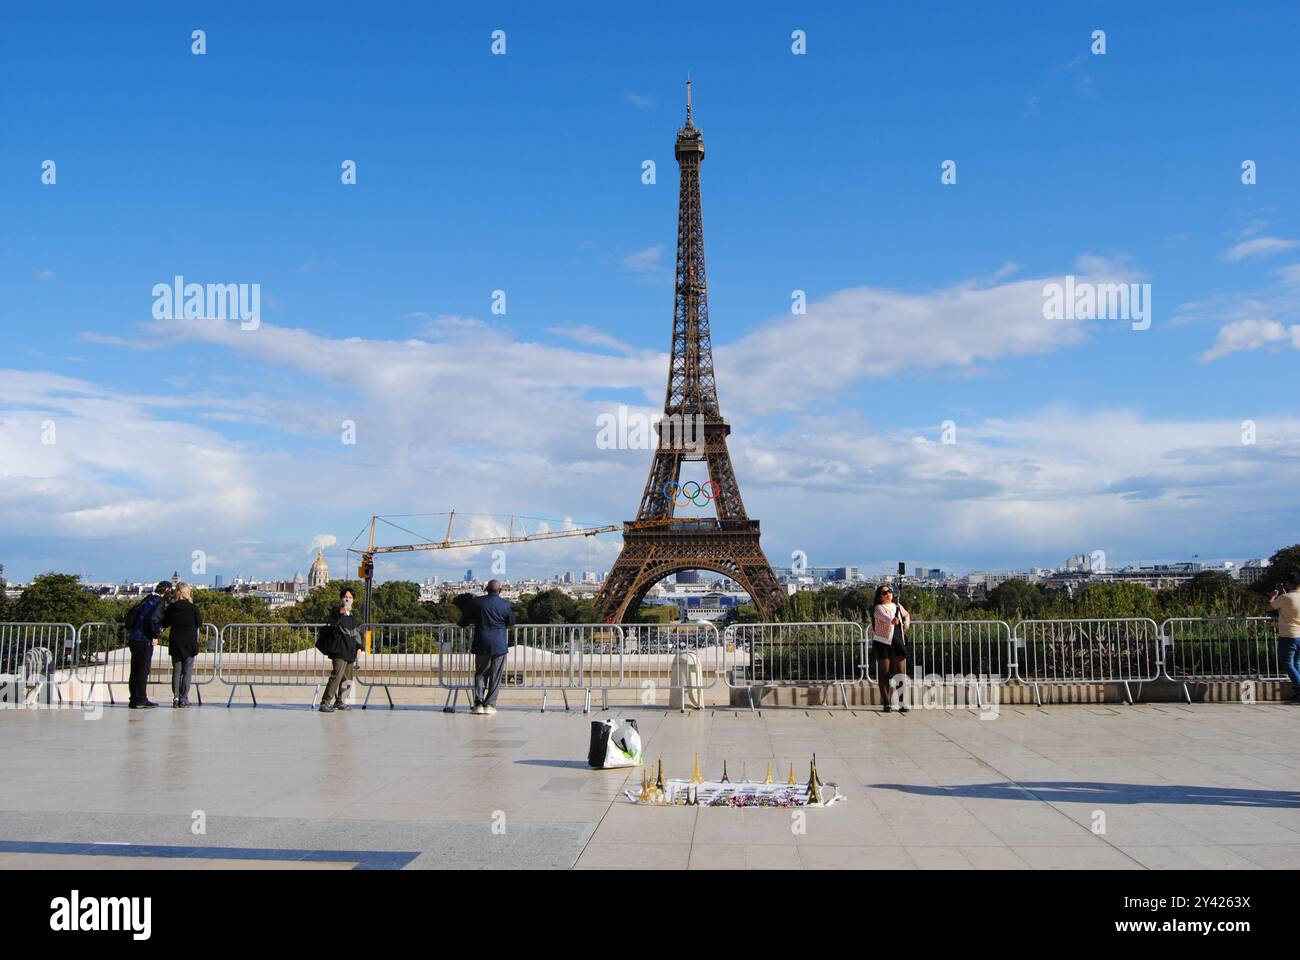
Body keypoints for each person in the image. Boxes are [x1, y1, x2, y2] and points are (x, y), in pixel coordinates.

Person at [464, 579, 516, 715]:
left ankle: (478, 703)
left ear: (486, 589)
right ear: (500, 590)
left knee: (481, 673)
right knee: (495, 675)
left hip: (481, 642)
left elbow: (464, 620)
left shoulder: (477, 602)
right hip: (499, 643)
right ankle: (490, 704)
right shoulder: (506, 605)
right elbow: (511, 623)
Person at [125, 581, 171, 709]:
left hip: (135, 637)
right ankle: (140, 699)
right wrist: (155, 635)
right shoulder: (159, 602)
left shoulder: (148, 598)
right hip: (144, 639)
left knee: (135, 670)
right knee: (142, 670)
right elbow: (153, 620)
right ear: (166, 590)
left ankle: (134, 698)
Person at [319, 587, 362, 713]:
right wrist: (342, 611)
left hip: (350, 650)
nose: (347, 599)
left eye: (350, 597)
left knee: (348, 678)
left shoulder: (353, 615)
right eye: (345, 597)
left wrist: (359, 647)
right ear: (341, 598)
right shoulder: (337, 612)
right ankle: (325, 702)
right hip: (339, 650)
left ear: (353, 600)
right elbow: (333, 623)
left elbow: (356, 633)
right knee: (336, 675)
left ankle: (341, 701)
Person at [870, 584, 911, 713]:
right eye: (885, 592)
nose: (888, 594)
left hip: (897, 641)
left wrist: (906, 623)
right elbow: (886, 618)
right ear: (880, 596)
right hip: (883, 643)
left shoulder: (897, 606)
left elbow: (906, 615)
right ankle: (886, 702)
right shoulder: (878, 608)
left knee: (901, 673)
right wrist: (893, 620)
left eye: (889, 591)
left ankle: (902, 701)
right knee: (884, 672)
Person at [162, 580, 202, 707]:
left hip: (175, 641)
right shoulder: (193, 608)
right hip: (189, 642)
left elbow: (165, 623)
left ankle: (175, 697)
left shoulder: (171, 608)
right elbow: (199, 623)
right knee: (187, 670)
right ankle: (184, 697)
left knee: (177, 670)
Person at [1269, 577, 1300, 703]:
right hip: (1299, 635)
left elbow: (1269, 607)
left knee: (1287, 663)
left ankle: (1299, 688)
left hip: (1288, 635)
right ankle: (1297, 693)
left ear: (1288, 583)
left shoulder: (1286, 598)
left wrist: (1274, 595)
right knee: (1297, 663)